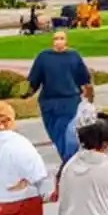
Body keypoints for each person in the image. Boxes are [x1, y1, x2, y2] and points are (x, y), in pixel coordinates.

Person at [27, 31, 92, 162]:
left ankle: (69, 161)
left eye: (61, 38)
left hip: (70, 101)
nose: (59, 41)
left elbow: (84, 79)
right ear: (52, 41)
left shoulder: (73, 56)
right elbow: (34, 80)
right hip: (49, 103)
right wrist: (26, 92)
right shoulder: (43, 57)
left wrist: (89, 99)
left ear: (66, 41)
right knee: (56, 134)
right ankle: (69, 161)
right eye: (56, 38)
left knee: (67, 134)